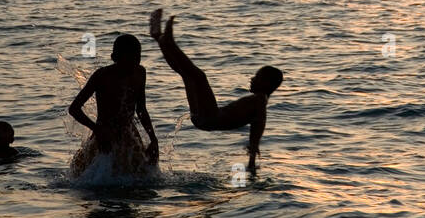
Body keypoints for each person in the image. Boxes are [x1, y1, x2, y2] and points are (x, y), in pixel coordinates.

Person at [150, 9, 282, 172]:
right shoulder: (257, 101)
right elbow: (257, 124)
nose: (252, 79)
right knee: (186, 74)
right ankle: (159, 39)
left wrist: (253, 150)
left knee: (199, 76)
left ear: (267, 84)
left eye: (258, 77)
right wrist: (252, 158)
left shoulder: (260, 99)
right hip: (202, 119)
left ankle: (169, 42)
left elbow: (260, 123)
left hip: (211, 118)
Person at [68, 34, 159, 177]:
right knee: (94, 178)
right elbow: (74, 109)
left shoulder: (140, 73)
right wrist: (98, 131)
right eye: (129, 59)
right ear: (114, 58)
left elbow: (141, 110)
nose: (134, 64)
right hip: (105, 136)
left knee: (142, 176)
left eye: (137, 58)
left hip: (130, 134)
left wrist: (153, 140)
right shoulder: (102, 76)